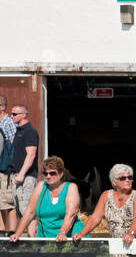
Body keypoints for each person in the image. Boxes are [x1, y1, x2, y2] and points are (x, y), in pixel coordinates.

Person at [9, 156, 82, 241]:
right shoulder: (41, 186)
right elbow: (29, 212)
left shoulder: (71, 187)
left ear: (61, 174)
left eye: (52, 173)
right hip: (45, 239)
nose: (48, 176)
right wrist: (18, 233)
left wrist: (62, 233)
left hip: (70, 238)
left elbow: (71, 214)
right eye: (45, 173)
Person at [6, 103, 39, 236]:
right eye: (11, 113)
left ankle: (32, 240)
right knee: (19, 208)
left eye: (14, 114)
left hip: (27, 176)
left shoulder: (30, 131)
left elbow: (31, 155)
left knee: (27, 208)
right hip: (17, 175)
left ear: (24, 115)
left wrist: (21, 174)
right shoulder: (18, 131)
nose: (11, 116)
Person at [0, 94, 16, 236]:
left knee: (8, 202)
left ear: (3, 106)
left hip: (5, 169)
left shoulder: (7, 123)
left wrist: (12, 168)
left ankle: (11, 233)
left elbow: (13, 145)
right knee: (1, 203)